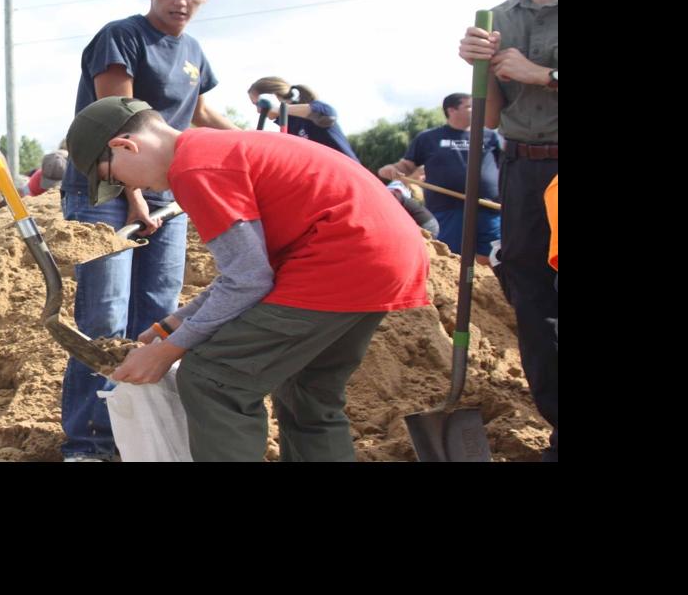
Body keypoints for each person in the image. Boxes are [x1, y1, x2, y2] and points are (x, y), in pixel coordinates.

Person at [70, 96, 428, 461]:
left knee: (214, 378)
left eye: (114, 178)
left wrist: (166, 352)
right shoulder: (215, 148)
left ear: (125, 145)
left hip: (341, 259)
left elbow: (248, 281)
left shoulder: (193, 169)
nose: (129, 188)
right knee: (307, 392)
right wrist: (173, 324)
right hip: (387, 257)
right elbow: (244, 273)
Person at [58, 0, 239, 462]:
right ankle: (89, 443)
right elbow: (118, 122)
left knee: (159, 314)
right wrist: (134, 197)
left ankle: (142, 438)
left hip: (168, 194)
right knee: (104, 317)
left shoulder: (194, 52)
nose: (181, 2)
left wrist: (252, 142)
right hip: (106, 189)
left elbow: (201, 112)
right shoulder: (122, 37)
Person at [459, 0, 557, 460]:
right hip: (522, 169)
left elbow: (537, 78)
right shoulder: (495, 18)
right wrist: (480, 68)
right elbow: (493, 116)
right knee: (532, 298)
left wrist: (543, 75)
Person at [377, 92, 502, 268]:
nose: (476, 110)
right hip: (447, 208)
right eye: (469, 106)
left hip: (487, 207)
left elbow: (504, 167)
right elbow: (407, 165)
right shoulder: (428, 138)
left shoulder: (490, 136)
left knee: (494, 256)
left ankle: (483, 284)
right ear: (451, 110)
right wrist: (392, 169)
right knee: (450, 258)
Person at [247, 77, 359, 163]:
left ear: (273, 97)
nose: (258, 111)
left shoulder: (312, 110)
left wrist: (277, 108)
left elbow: (327, 114)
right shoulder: (289, 126)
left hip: (349, 179)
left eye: (258, 104)